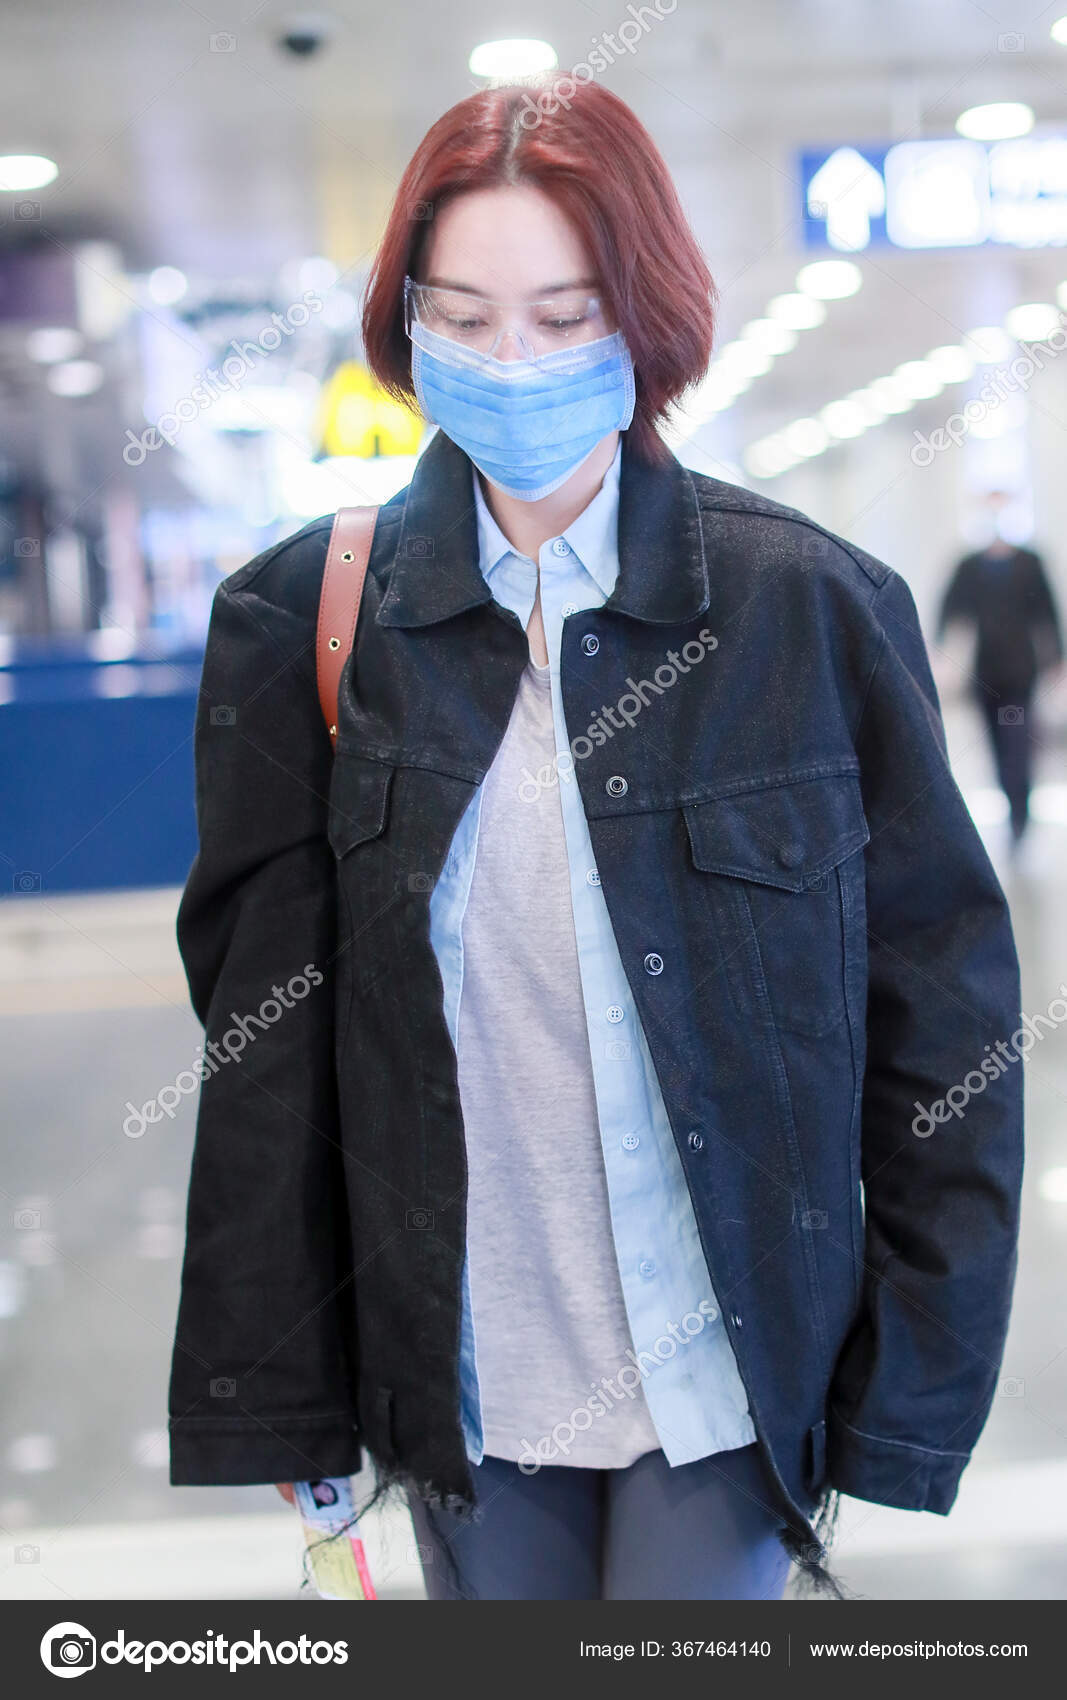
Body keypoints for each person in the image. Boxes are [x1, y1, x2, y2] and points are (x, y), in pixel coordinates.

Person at [168, 79, 1025, 1602]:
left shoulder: (803, 610)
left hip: (726, 1383)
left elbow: (940, 1028)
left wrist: (904, 1390)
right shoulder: (306, 625)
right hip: (466, 1385)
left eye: (565, 316)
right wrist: (280, 1387)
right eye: (468, 315)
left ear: (644, 314)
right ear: (406, 324)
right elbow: (266, 1062)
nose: (514, 363)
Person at [936, 490, 1063, 846]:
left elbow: (1049, 613)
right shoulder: (970, 565)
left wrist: (1057, 661)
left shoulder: (1030, 562)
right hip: (985, 672)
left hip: (1020, 672)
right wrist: (938, 651)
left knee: (1017, 742)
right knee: (995, 743)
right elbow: (949, 609)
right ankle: (1010, 802)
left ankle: (1020, 811)